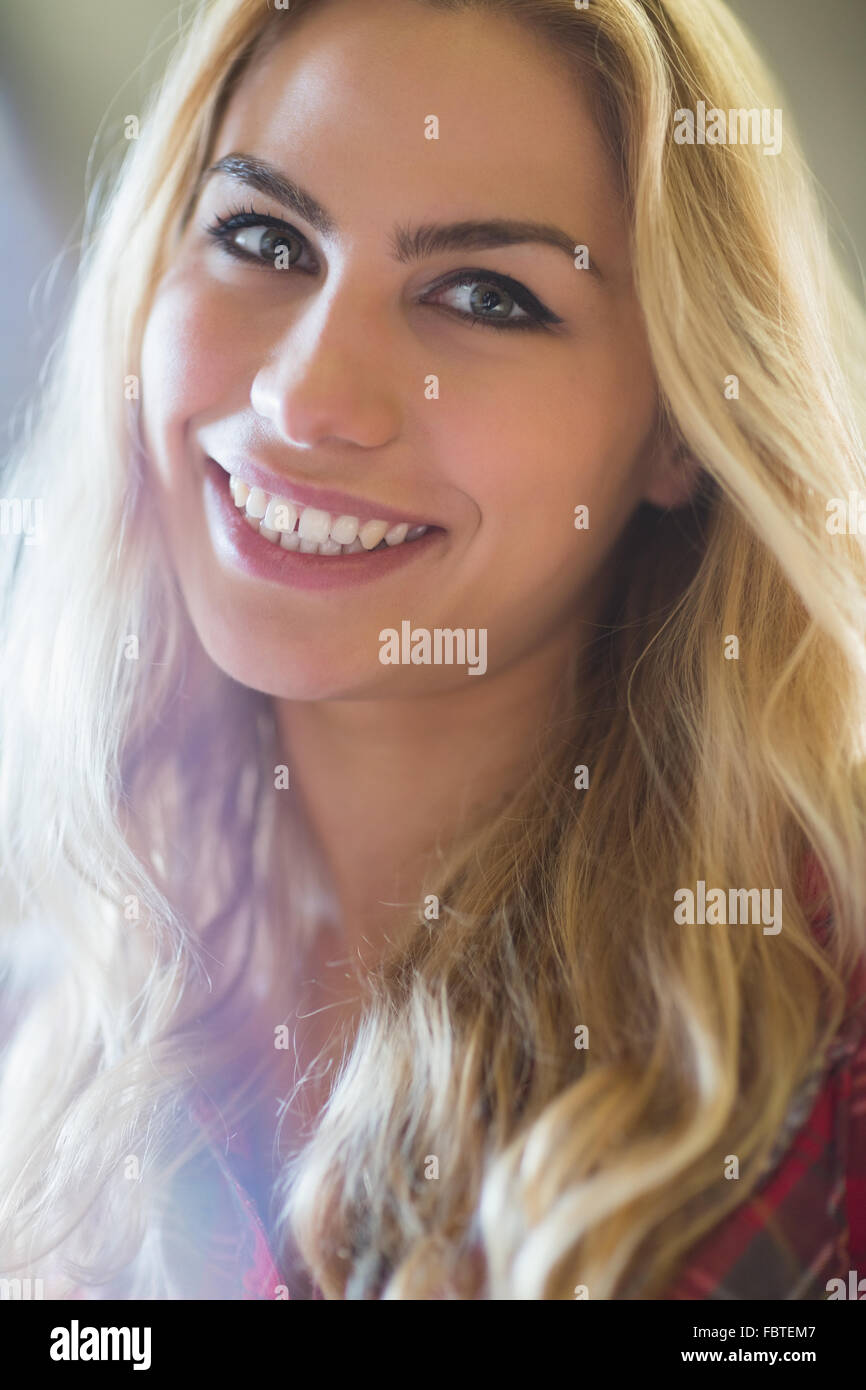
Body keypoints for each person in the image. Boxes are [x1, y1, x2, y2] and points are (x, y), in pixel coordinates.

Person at [1, 0, 864, 1301]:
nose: (305, 398)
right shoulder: (51, 983)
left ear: (683, 426)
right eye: (263, 237)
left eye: (484, 295)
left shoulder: (825, 1037)